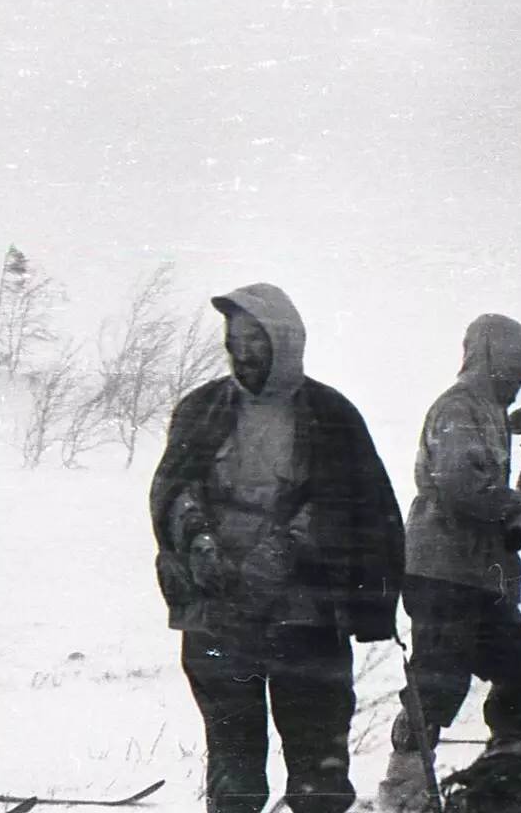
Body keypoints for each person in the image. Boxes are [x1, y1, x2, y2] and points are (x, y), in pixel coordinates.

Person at [149, 283, 404, 813]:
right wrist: (198, 541)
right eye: (234, 338)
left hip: (305, 615)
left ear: (285, 342)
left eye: (256, 340)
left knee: (318, 765)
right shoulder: (201, 409)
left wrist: (289, 548)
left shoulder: (330, 413)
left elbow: (358, 503)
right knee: (234, 766)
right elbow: (172, 488)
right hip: (218, 612)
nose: (242, 351)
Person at [377, 314, 521, 813]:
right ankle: (405, 791)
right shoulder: (458, 408)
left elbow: (481, 496)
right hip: (442, 572)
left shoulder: (488, 411)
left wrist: (517, 515)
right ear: (494, 358)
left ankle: (512, 767)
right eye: (519, 366)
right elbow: (460, 487)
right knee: (438, 681)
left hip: (475, 574)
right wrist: (518, 504)